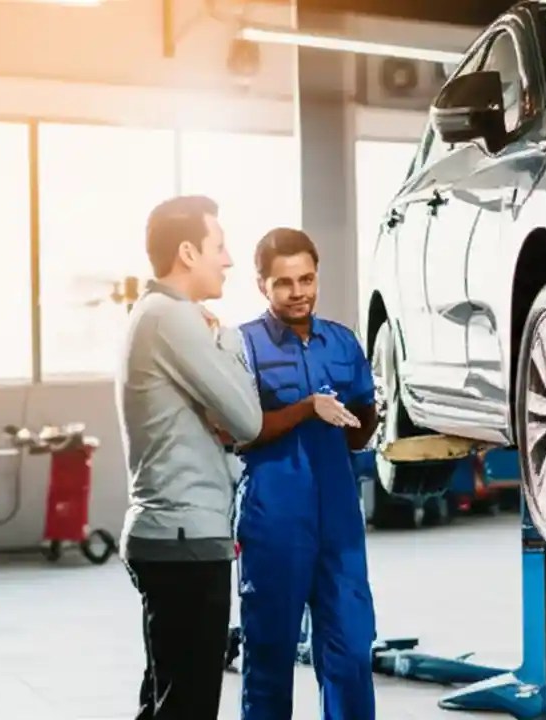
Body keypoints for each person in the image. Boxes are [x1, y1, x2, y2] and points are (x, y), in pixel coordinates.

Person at [116, 195, 263, 720]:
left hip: (170, 537)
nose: (227, 259)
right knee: (189, 706)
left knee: (166, 699)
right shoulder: (174, 319)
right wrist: (221, 339)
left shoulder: (152, 315)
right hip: (184, 542)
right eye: (218, 247)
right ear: (186, 252)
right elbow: (248, 420)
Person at [233, 227, 380, 720]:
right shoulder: (242, 346)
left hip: (339, 517)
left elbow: (360, 423)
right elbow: (241, 432)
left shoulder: (341, 340)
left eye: (307, 278)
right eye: (284, 282)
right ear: (262, 285)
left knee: (352, 650)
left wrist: (370, 415)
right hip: (274, 517)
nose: (298, 292)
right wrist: (309, 408)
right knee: (270, 652)